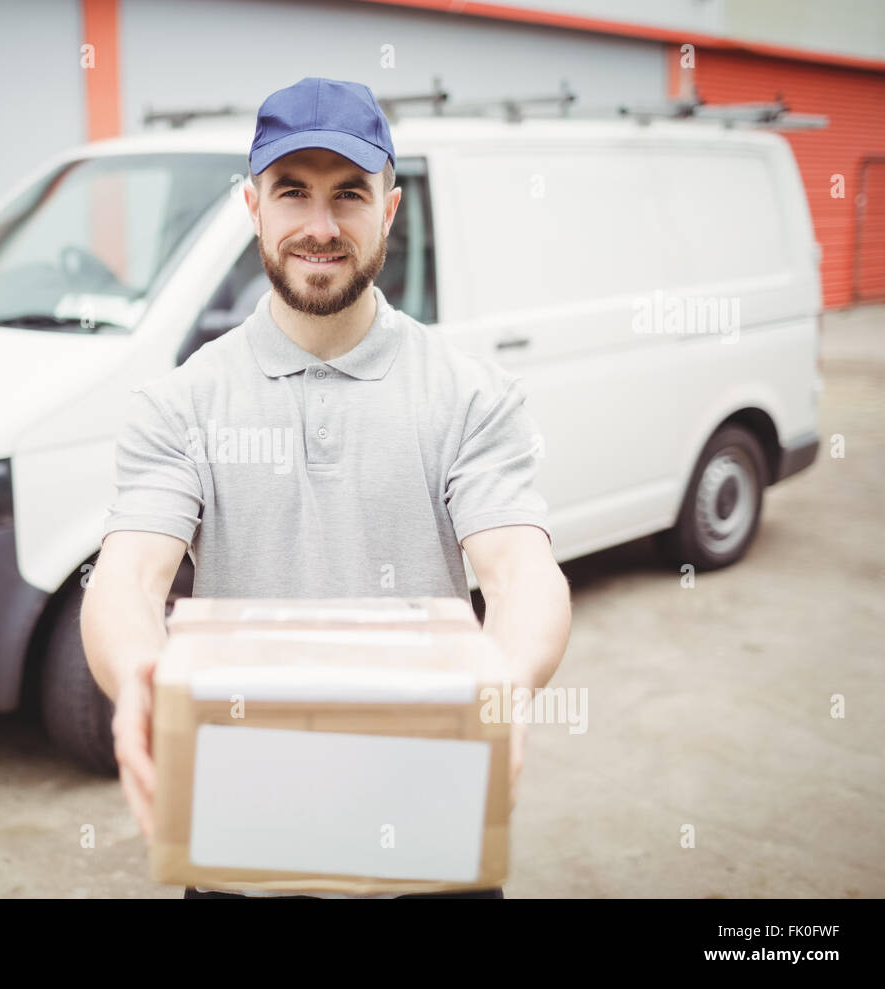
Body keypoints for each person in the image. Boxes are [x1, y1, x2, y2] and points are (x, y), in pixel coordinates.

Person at [82, 76, 572, 898]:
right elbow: (128, 575)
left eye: (349, 193)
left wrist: (508, 679)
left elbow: (521, 569)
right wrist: (138, 674)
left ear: (389, 210)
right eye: (292, 192)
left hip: (431, 834)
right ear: (253, 207)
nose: (320, 226)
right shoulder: (181, 402)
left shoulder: (468, 395)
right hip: (240, 843)